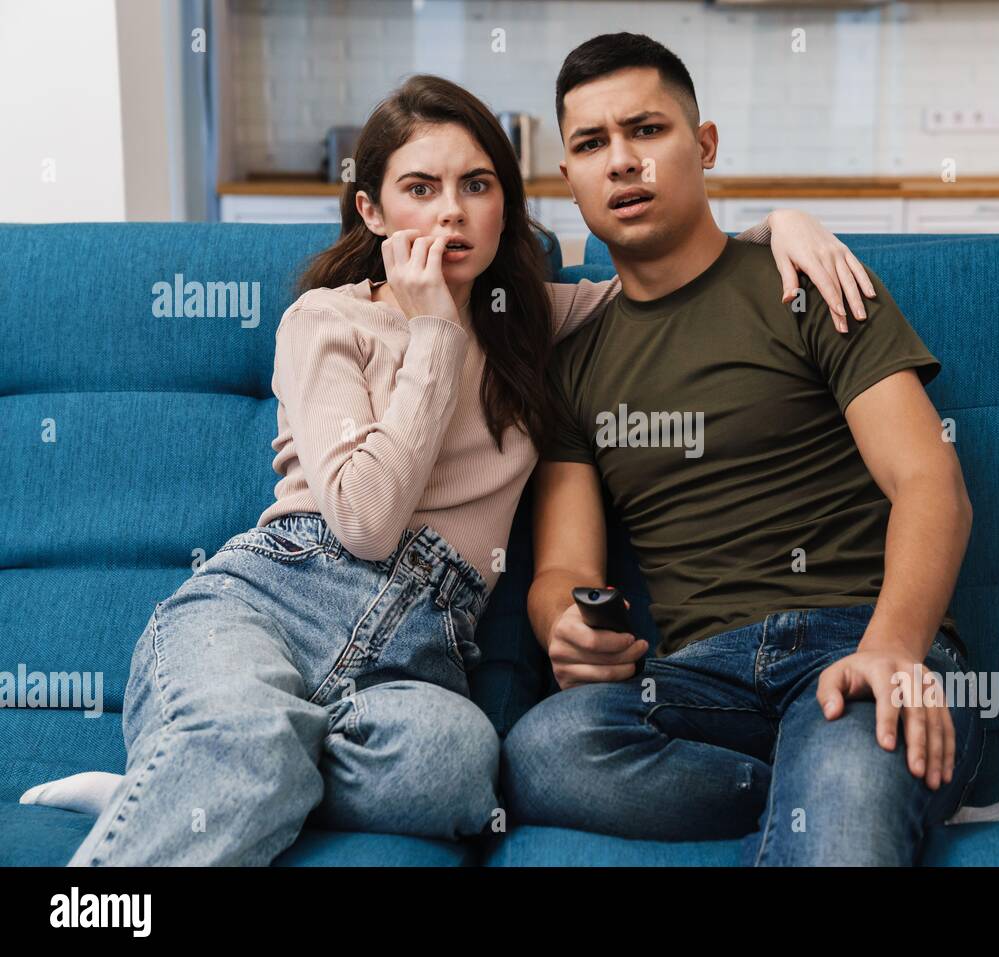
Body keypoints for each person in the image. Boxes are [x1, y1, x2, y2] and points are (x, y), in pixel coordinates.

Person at [23, 72, 884, 866]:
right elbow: (364, 518)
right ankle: (209, 776)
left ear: (506, 205)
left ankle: (204, 781)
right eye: (420, 189)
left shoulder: (532, 322)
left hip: (417, 653)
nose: (452, 214)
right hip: (275, 597)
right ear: (371, 211)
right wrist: (433, 331)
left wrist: (776, 226)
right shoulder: (326, 320)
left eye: (477, 186)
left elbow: (673, 271)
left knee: (459, 770)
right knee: (247, 734)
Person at [502, 33, 988, 866]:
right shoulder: (572, 357)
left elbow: (930, 480)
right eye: (591, 144)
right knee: (545, 748)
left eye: (646, 131)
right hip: (700, 680)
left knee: (842, 808)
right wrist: (562, 627)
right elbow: (562, 572)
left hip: (862, 637)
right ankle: (862, 790)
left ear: (705, 146)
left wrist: (890, 649)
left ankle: (857, 782)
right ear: (568, 182)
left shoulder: (812, 282)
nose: (621, 161)